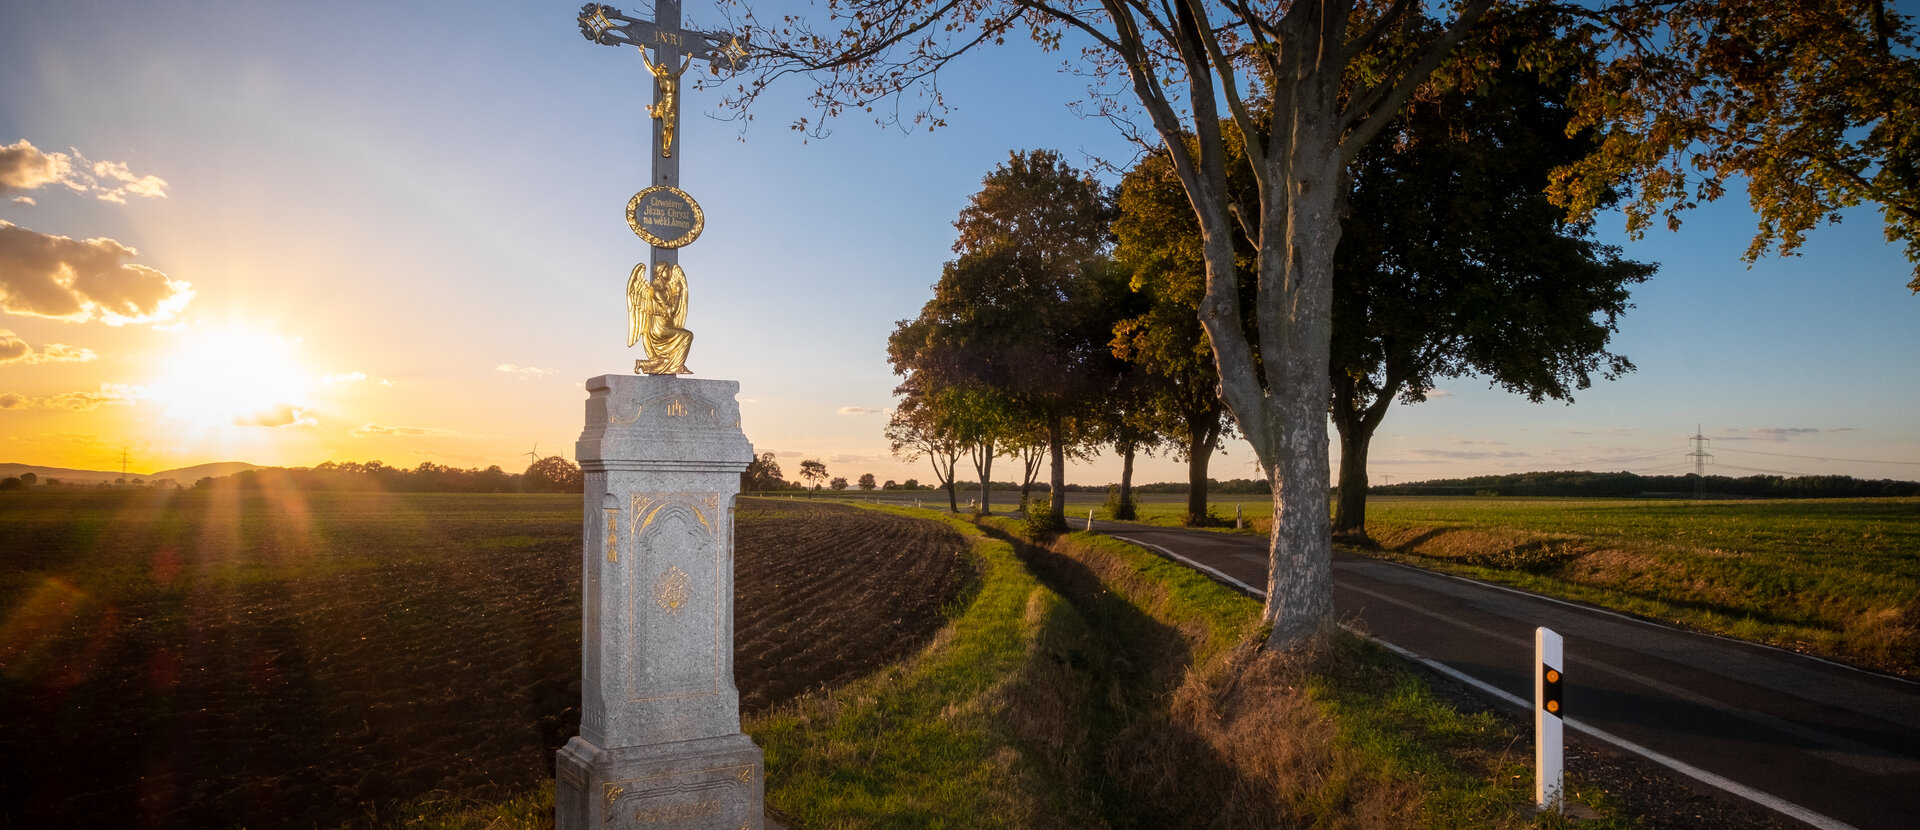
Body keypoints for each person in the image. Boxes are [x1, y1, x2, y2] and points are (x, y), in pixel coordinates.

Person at [628, 261, 692, 374]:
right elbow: (671, 311)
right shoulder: (656, 290)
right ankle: (677, 366)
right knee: (687, 336)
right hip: (659, 329)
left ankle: (644, 364)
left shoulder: (664, 288)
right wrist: (677, 294)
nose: (670, 271)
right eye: (667, 269)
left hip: (663, 325)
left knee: (668, 357)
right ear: (660, 272)